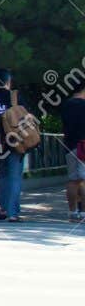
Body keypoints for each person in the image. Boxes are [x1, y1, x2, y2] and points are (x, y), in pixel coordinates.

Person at [0, 67, 24, 222]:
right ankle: (12, 213)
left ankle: (3, 209)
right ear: (8, 81)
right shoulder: (14, 97)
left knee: (2, 176)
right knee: (14, 177)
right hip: (14, 144)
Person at [61, 82, 85, 221]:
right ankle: (77, 212)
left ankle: (76, 211)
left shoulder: (66, 105)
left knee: (76, 179)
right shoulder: (82, 105)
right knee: (78, 180)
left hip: (70, 145)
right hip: (81, 145)